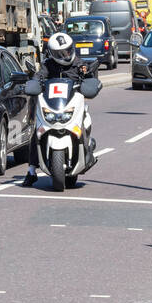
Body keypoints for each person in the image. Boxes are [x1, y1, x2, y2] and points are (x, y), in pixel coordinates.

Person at [22, 32, 95, 187]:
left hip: (72, 104)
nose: (66, 55)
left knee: (86, 120)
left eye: (68, 50)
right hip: (54, 105)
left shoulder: (79, 63)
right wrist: (34, 82)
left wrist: (88, 74)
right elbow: (38, 77)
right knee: (37, 130)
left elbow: (91, 78)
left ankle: (87, 150)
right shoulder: (48, 65)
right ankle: (31, 170)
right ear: (52, 53)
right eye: (61, 53)